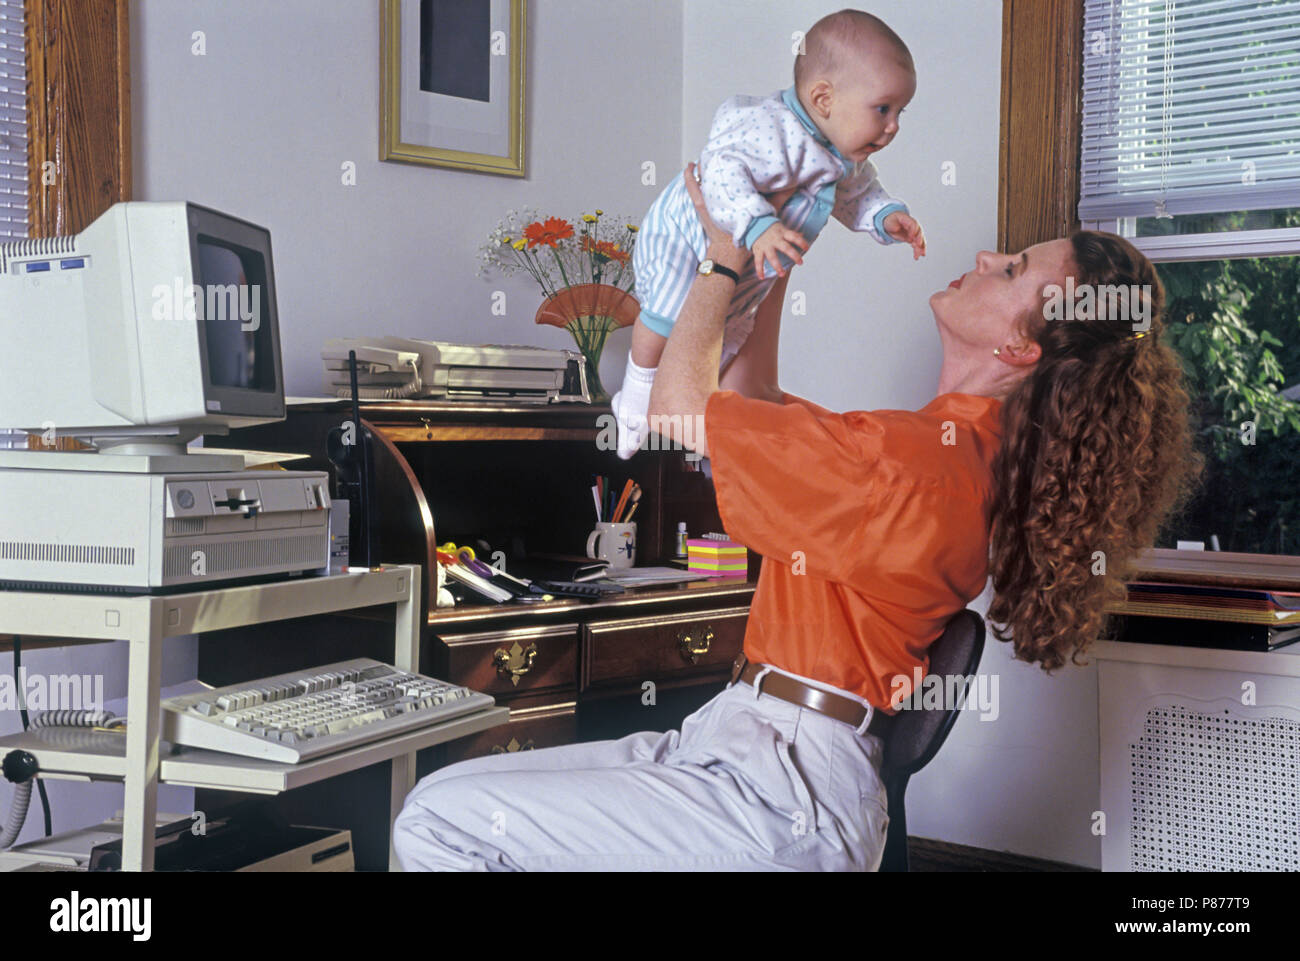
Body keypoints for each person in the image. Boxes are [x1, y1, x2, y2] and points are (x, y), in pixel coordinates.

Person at [391, 165, 1201, 873]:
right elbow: (752, 409)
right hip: (753, 750)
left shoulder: (911, 462)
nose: (989, 256)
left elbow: (680, 410)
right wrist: (774, 249)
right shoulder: (947, 449)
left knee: (436, 822)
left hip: (780, 797)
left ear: (1026, 349)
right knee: (450, 798)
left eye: (1015, 268)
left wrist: (722, 253)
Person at [610, 9, 927, 460]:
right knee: (663, 316)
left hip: (747, 259)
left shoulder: (842, 155)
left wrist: (885, 217)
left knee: (725, 332)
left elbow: (858, 194)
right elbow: (721, 169)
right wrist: (758, 223)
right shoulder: (770, 128)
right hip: (685, 235)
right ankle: (636, 396)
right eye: (882, 109)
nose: (893, 125)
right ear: (823, 98)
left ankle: (681, 414)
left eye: (900, 112)